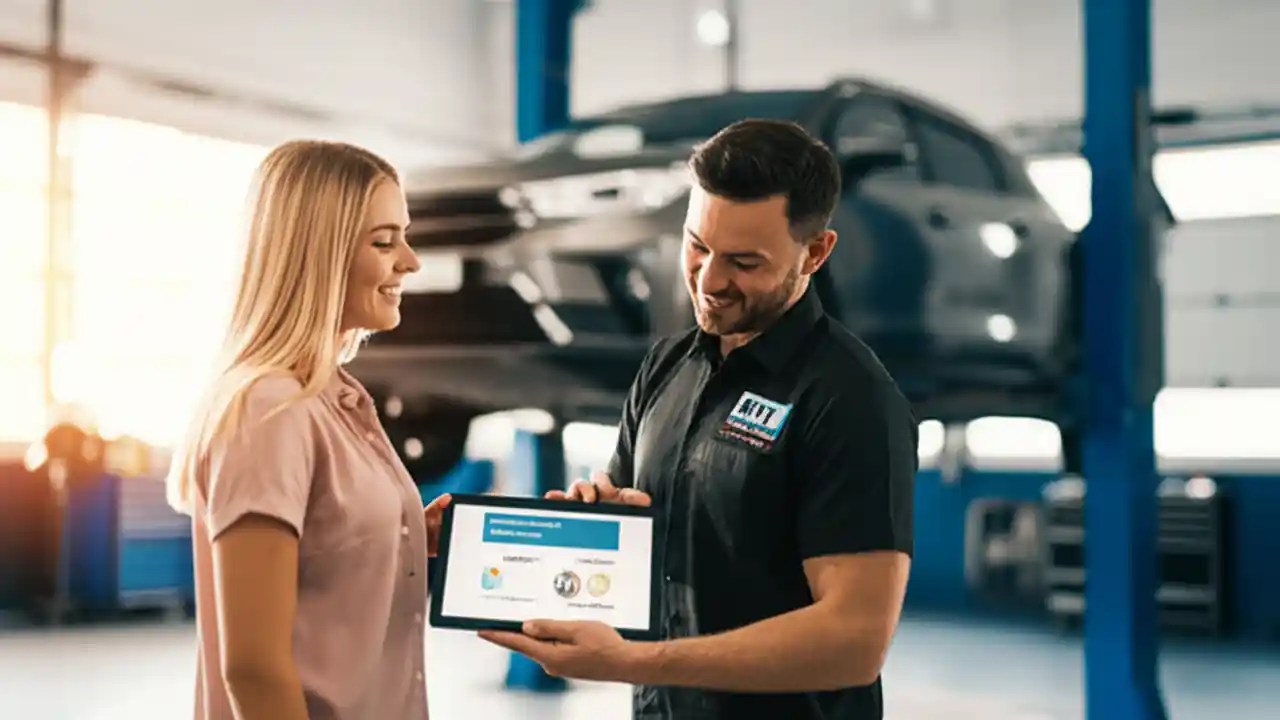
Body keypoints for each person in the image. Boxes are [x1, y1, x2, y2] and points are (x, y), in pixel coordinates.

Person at [481, 119, 916, 720]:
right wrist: (596, 525)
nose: (709, 281)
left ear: (815, 252)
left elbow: (854, 641)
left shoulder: (850, 398)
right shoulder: (665, 367)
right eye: (697, 246)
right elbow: (627, 541)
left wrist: (636, 662)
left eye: (743, 262)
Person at [165, 140, 451, 720]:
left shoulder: (333, 397)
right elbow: (252, 667)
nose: (410, 262)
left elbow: (313, 554)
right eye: (384, 241)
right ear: (317, 252)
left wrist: (400, 536)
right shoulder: (269, 409)